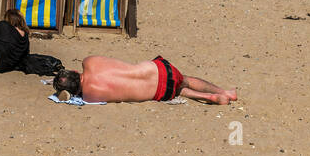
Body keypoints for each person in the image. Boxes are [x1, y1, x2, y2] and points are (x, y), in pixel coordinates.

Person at [52, 55, 237, 104]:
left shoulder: (90, 97)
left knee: (177, 89)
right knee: (184, 80)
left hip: (158, 93)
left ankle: (210, 98)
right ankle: (223, 92)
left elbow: (74, 98)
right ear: (75, 70)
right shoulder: (89, 61)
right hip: (157, 70)